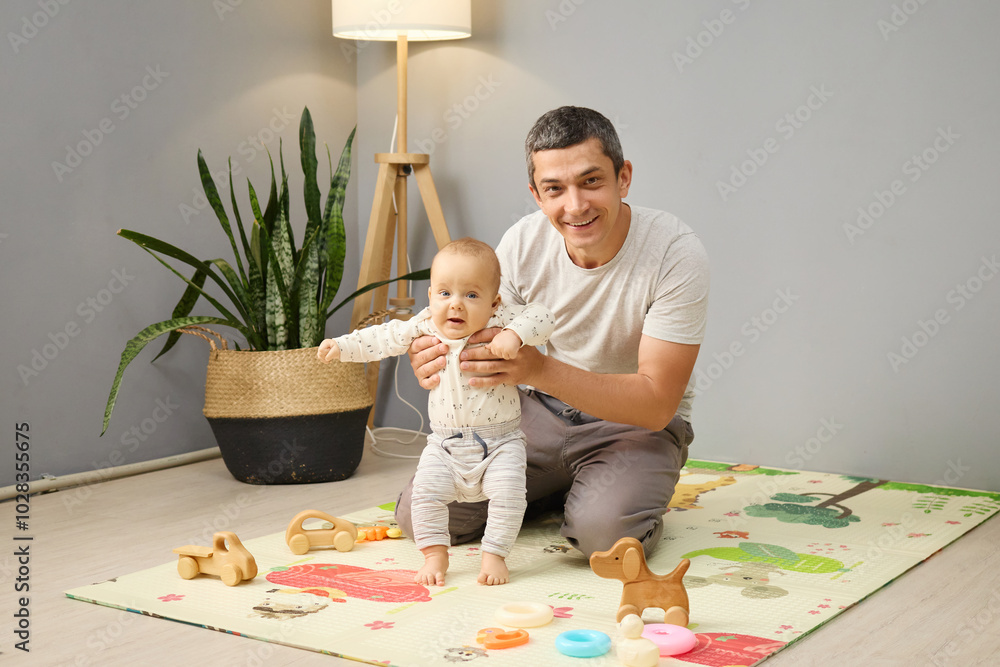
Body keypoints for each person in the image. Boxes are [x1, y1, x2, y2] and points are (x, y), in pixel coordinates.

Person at [397, 106, 710, 559]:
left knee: (603, 541)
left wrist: (539, 369)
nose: (575, 205)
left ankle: (585, 498)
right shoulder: (522, 243)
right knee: (421, 518)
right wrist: (433, 353)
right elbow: (473, 337)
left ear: (623, 177)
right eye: (554, 189)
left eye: (591, 181)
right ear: (536, 194)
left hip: (635, 427)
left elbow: (658, 403)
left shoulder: (675, 252)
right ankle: (554, 490)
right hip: (537, 416)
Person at [318, 238, 554, 586]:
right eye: (445, 293)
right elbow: (383, 337)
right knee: (424, 496)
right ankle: (434, 554)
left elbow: (543, 316)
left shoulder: (501, 320)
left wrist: (515, 334)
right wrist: (341, 346)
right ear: (430, 297)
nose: (455, 305)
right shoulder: (425, 324)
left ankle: (494, 555)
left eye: (471, 295)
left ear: (494, 302)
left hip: (501, 444)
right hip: (444, 446)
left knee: (508, 496)